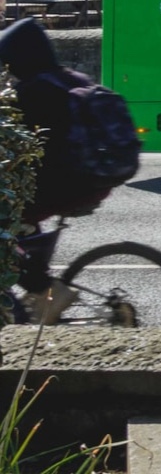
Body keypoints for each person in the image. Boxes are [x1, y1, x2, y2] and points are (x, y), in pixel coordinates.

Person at [1, 16, 109, 324]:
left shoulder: (34, 90)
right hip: (85, 177)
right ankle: (39, 280)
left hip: (68, 183)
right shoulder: (66, 77)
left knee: (6, 227)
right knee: (20, 219)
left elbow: (11, 136)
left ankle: (48, 291)